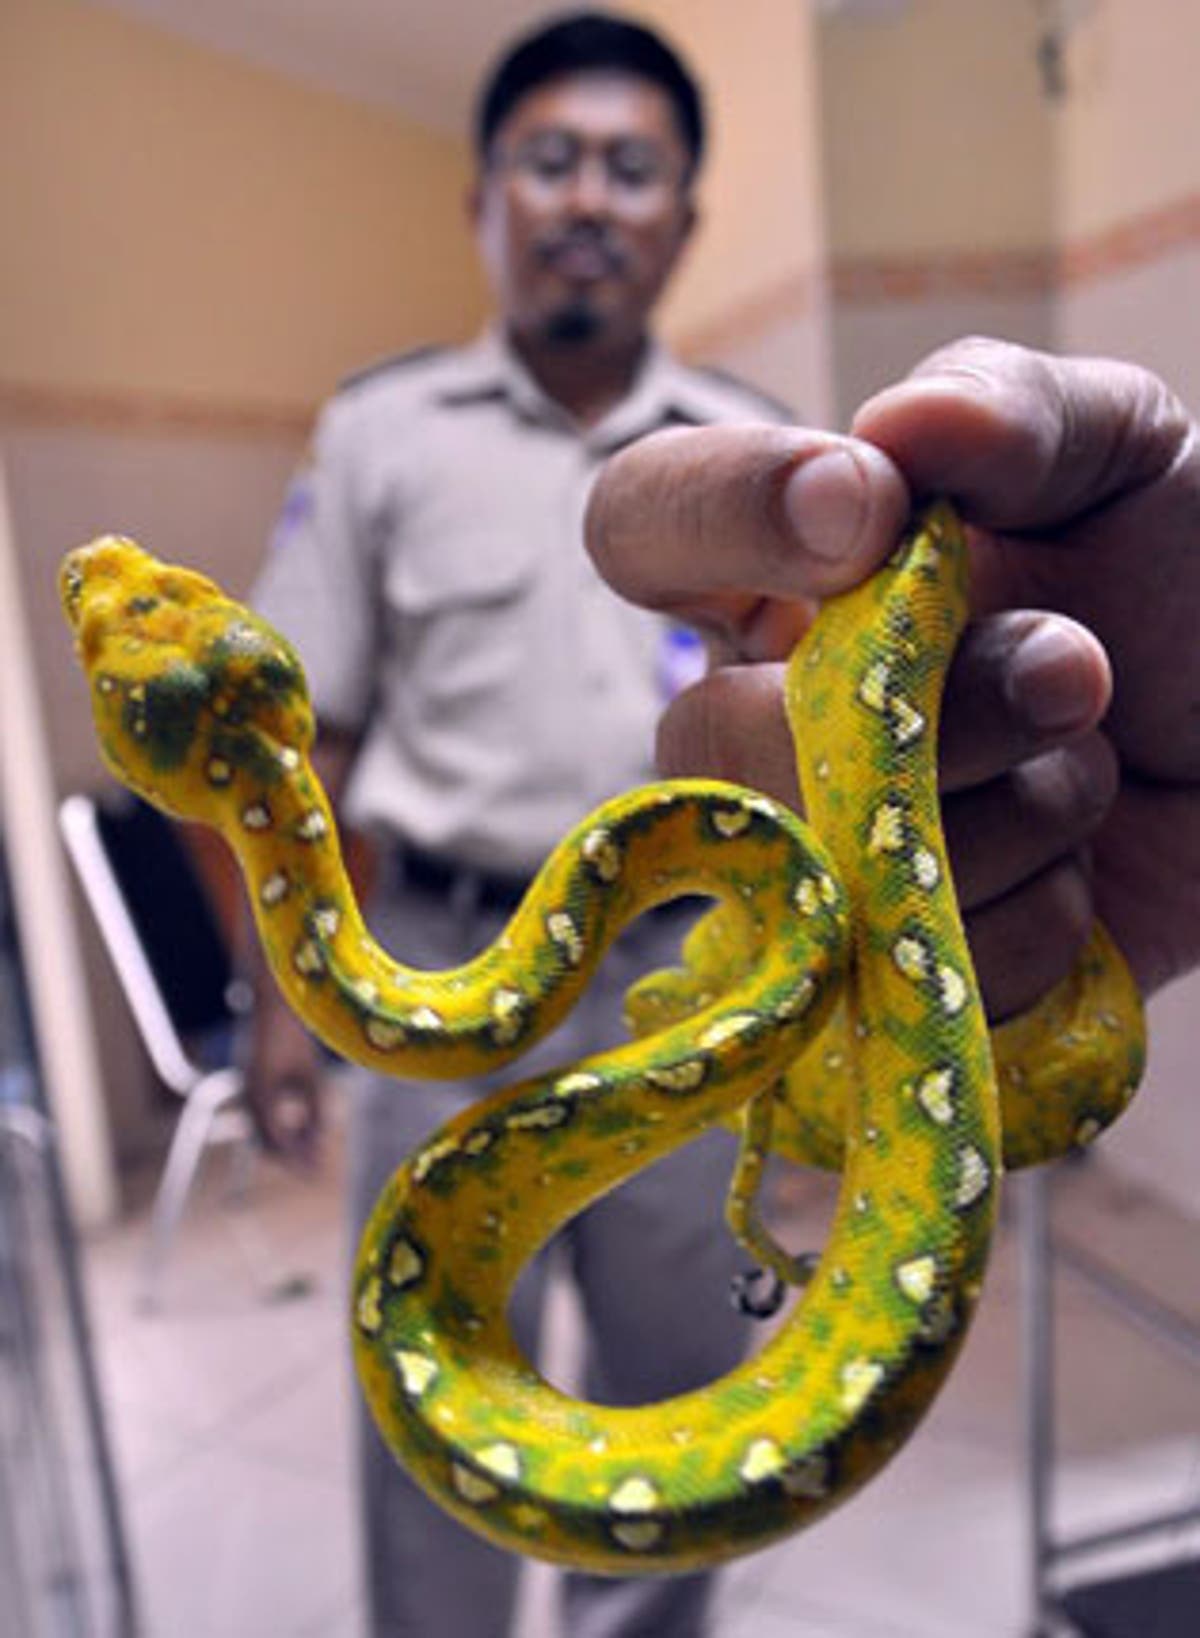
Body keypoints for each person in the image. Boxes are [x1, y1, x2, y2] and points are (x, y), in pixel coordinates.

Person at [246, 12, 798, 1637]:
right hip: (434, 977)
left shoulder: (753, 451)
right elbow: (297, 746)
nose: (588, 199)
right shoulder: (379, 433)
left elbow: (806, 753)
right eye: (548, 160)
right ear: (483, 200)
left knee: (681, 1427)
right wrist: (276, 1003)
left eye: (635, 170)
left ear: (683, 222)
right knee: (437, 1425)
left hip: (675, 997)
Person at [585, 334, 1200, 1016]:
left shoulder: (738, 410)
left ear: (680, 229)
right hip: (463, 911)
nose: (588, 217)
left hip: (716, 926)